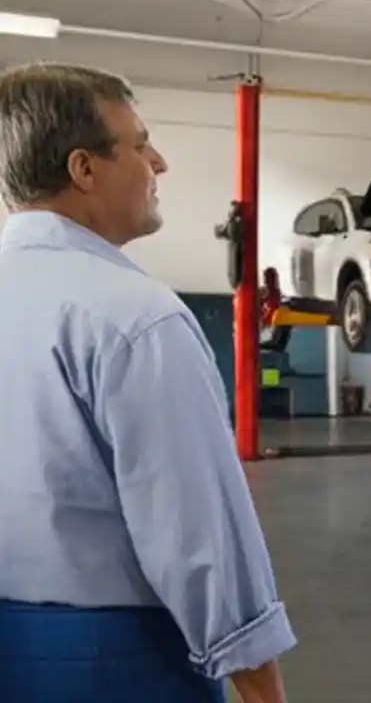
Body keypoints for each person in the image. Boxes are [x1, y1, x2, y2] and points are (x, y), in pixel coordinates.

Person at [0, 63, 295, 701]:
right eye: (139, 144)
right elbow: (199, 536)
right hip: (114, 664)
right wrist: (263, 688)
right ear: (84, 169)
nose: (157, 162)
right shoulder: (134, 317)